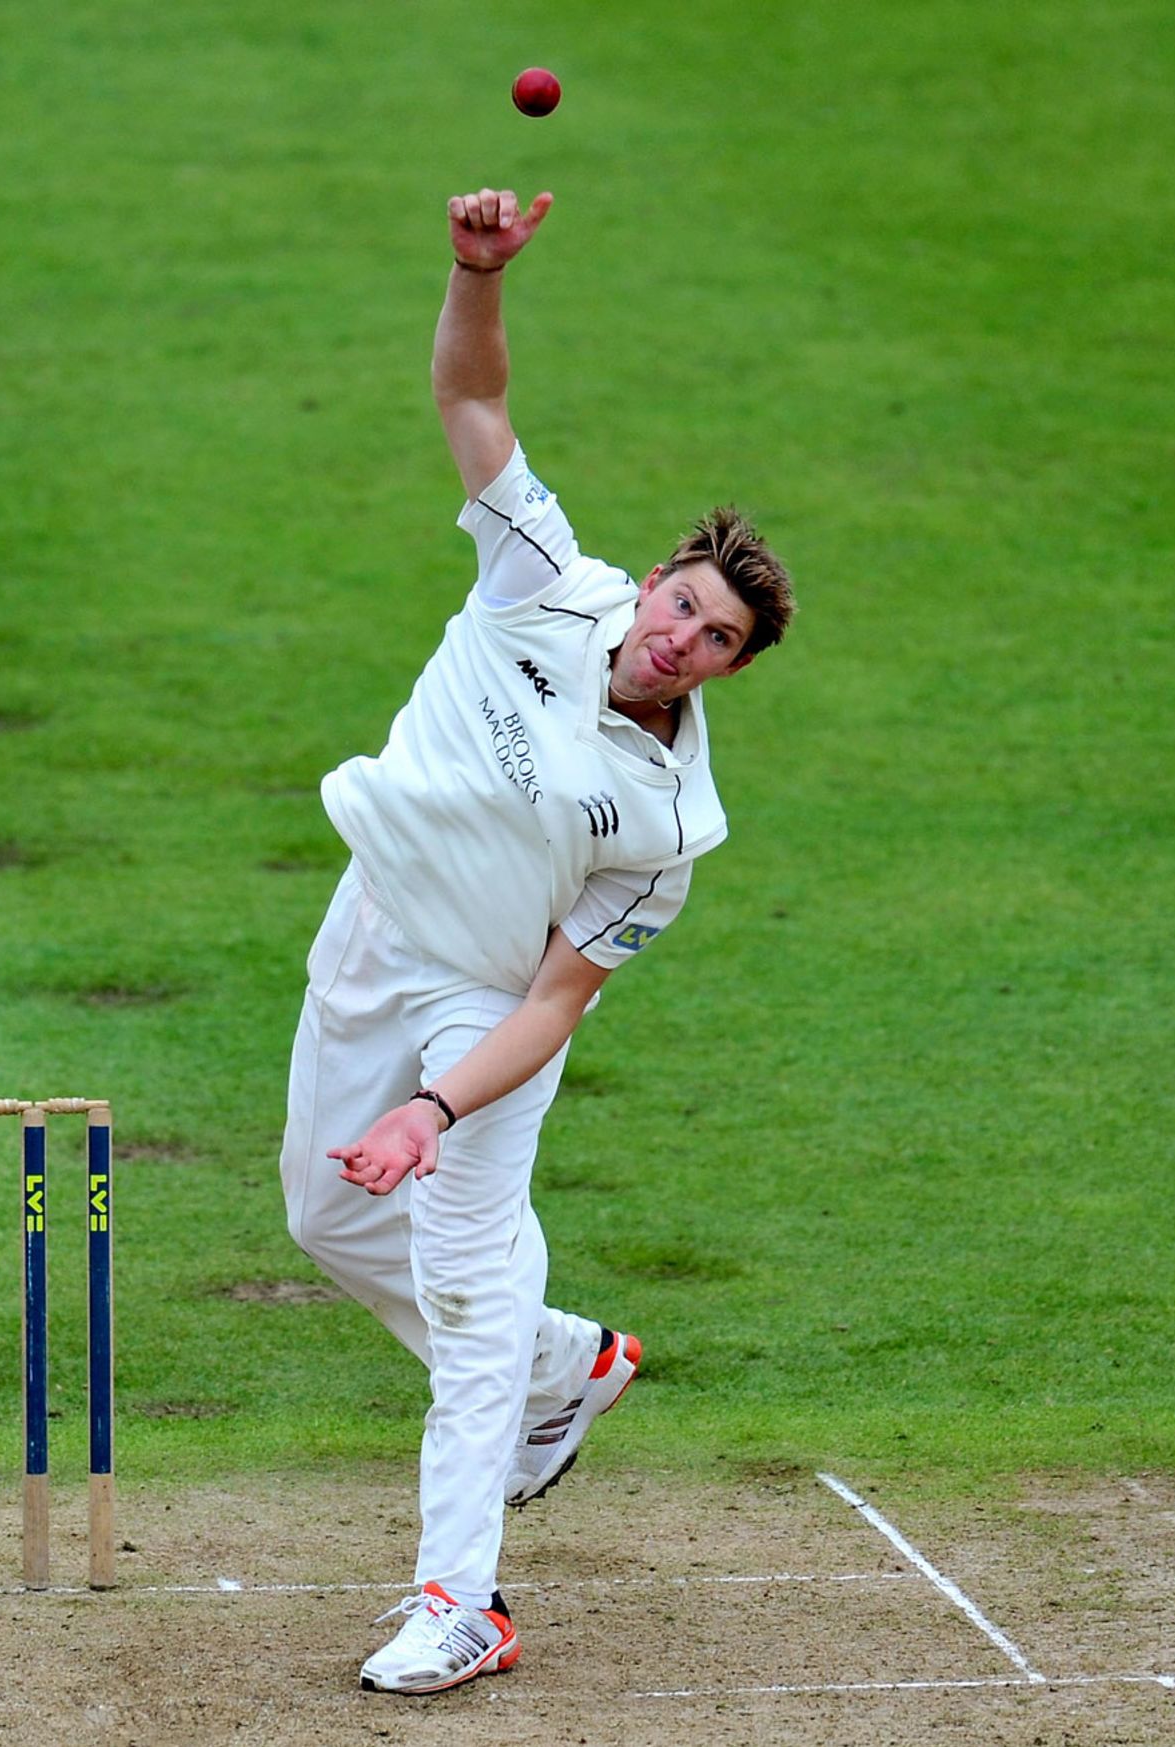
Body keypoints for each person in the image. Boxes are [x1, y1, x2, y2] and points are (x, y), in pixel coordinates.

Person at [279, 185, 794, 1696]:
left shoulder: (671, 828)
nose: (676, 642)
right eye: (682, 606)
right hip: (371, 919)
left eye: (715, 644)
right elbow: (469, 388)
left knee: (461, 1285)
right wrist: (474, 271)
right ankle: (567, 1365)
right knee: (322, 1219)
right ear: (651, 580)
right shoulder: (542, 576)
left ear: (729, 672)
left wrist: (441, 1109)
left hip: (481, 1014)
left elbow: (561, 1000)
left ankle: (465, 1603)